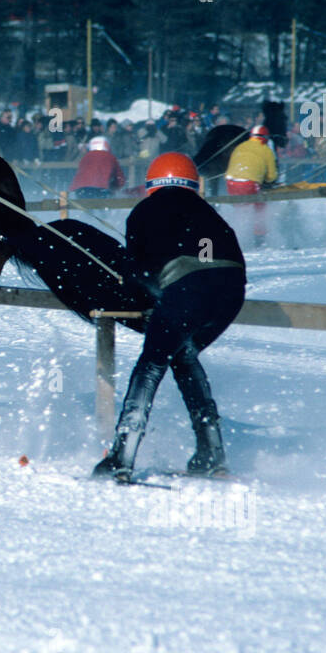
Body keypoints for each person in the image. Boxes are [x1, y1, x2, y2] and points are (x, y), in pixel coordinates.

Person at [93, 153, 246, 482]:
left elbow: (136, 274)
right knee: (184, 354)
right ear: (193, 184)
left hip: (189, 290)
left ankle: (121, 455)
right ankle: (211, 453)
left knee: (152, 363)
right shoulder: (208, 212)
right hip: (231, 292)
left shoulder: (145, 210)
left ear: (152, 185)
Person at [225, 124, 277, 247]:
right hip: (249, 183)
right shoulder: (266, 150)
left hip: (230, 182)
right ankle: (259, 237)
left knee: (240, 208)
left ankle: (235, 233)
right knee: (260, 207)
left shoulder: (240, 146)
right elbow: (271, 176)